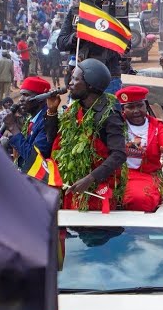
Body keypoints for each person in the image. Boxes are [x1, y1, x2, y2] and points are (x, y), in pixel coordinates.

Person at [47, 59, 126, 212]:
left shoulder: (109, 115)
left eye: (75, 79)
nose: (70, 83)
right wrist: (52, 111)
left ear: (90, 85)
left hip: (97, 192)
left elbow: (119, 154)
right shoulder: (73, 110)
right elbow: (53, 141)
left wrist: (90, 178)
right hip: (73, 189)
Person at [57, 0, 123, 88]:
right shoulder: (75, 12)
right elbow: (61, 43)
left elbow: (127, 45)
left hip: (109, 76)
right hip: (80, 77)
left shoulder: (117, 12)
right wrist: (75, 37)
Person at [115, 86, 163, 212]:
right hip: (117, 175)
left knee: (140, 199)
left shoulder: (156, 126)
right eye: (130, 107)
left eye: (140, 106)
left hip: (145, 175)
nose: (136, 111)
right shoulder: (116, 124)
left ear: (146, 105)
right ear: (123, 109)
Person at [3, 76, 57, 172]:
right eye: (21, 95)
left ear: (41, 98)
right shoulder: (33, 117)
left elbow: (35, 159)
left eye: (26, 95)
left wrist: (13, 128)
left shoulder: (47, 122)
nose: (21, 99)